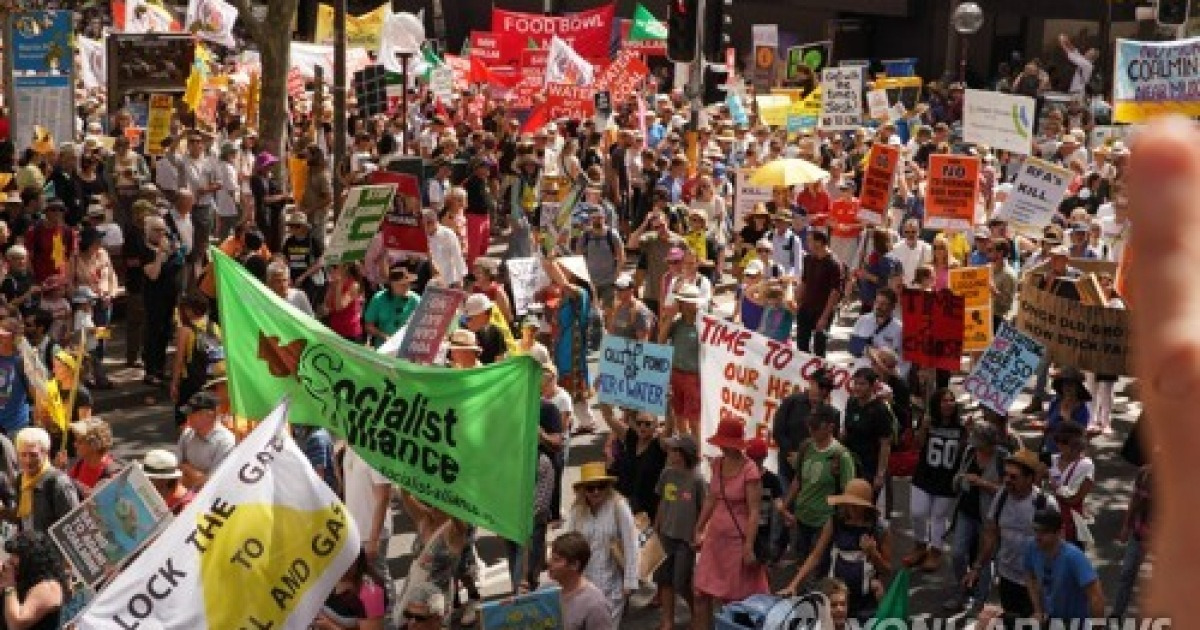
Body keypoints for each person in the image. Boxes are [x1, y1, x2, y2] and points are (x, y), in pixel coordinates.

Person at [965, 449, 1058, 627]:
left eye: (1014, 477)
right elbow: (991, 534)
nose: (1007, 480)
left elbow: (1057, 547)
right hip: (1007, 577)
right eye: (1006, 475)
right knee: (1011, 622)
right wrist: (977, 567)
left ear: (1030, 478)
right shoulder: (1001, 497)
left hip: (1035, 582)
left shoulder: (1045, 504)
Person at [778, 478, 892, 622]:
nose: (852, 509)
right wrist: (793, 585)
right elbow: (816, 555)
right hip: (835, 595)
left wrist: (873, 553)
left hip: (863, 601)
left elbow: (887, 570)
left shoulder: (879, 529)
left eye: (856, 505)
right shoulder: (835, 521)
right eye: (849, 504)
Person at [692, 420, 769, 628]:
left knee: (734, 601)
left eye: (725, 442)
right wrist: (699, 527)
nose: (722, 446)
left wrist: (749, 546)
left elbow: (754, 511)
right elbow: (711, 498)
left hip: (737, 541)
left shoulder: (750, 470)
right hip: (715, 539)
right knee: (700, 593)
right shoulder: (717, 463)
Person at [565, 462, 639, 627]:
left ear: (608, 486)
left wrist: (630, 581)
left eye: (601, 486)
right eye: (591, 488)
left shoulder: (619, 507)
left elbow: (631, 544)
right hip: (584, 584)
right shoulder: (576, 512)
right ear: (583, 490)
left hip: (612, 584)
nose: (596, 491)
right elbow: (566, 544)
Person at [945, 424, 1008, 614]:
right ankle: (962, 590)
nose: (977, 448)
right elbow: (960, 471)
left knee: (985, 558)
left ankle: (980, 602)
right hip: (966, 510)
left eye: (981, 445)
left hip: (988, 516)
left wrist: (981, 482)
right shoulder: (970, 452)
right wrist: (959, 479)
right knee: (957, 553)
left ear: (991, 444)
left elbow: (1006, 489)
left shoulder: (1002, 458)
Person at [905, 387, 966, 573]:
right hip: (924, 475)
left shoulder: (961, 426)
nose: (948, 404)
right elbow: (917, 444)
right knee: (917, 512)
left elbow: (964, 452)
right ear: (936, 405)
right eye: (944, 401)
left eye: (951, 400)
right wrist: (923, 428)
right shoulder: (928, 422)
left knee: (939, 517)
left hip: (947, 479)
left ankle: (936, 550)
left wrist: (968, 433)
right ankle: (920, 544)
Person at [653, 433, 704, 627]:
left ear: (686, 454)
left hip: (685, 539)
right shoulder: (666, 473)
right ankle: (668, 621)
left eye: (675, 450)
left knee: (681, 582)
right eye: (670, 449)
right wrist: (656, 528)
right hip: (665, 535)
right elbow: (662, 502)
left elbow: (703, 509)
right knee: (664, 580)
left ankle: (696, 615)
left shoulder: (697, 479)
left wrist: (699, 534)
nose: (671, 453)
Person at [1025, 507, 1106, 624]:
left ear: (1059, 532)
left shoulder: (1074, 557)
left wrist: (1097, 627)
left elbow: (1096, 596)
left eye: (1044, 532)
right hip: (1051, 619)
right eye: (1036, 530)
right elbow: (1030, 576)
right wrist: (1038, 610)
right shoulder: (1032, 548)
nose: (1038, 536)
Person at [4, 427, 78, 532]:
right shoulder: (21, 479)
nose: (28, 461)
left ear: (45, 453)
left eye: (33, 455)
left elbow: (72, 526)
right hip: (28, 546)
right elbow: (23, 518)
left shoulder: (58, 483)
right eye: (23, 455)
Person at [841, 368, 894, 500]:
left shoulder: (880, 410)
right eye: (856, 383)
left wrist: (880, 474)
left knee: (864, 506)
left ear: (872, 386)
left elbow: (885, 444)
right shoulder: (851, 402)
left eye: (862, 384)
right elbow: (846, 431)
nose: (857, 387)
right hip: (850, 463)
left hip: (869, 466)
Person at [659, 284, 703, 437]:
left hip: (694, 377)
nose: (682, 305)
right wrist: (669, 317)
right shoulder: (677, 323)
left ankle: (697, 451)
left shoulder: (703, 325)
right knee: (679, 416)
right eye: (680, 302)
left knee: (694, 420)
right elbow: (661, 340)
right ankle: (686, 446)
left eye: (684, 302)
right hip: (676, 374)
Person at [0, 531, 67, 630]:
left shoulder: (49, 587)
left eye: (16, 555)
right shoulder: (21, 579)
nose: (10, 560)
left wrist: (9, 585)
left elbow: (17, 624)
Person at [548, 531, 614, 630]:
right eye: (551, 558)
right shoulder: (547, 590)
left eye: (556, 559)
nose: (549, 563)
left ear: (574, 565)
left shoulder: (595, 604)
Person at [1047, 421, 1095, 550]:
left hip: (1071, 524)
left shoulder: (1086, 465)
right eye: (1058, 441)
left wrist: (1054, 488)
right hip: (1049, 520)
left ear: (1077, 446)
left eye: (1064, 442)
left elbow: (1074, 499)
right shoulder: (1051, 459)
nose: (1059, 445)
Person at [1112, 461, 1151, 618]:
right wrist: (1126, 527)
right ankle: (1117, 614)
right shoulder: (1144, 473)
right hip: (1138, 533)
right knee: (1127, 573)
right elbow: (1134, 501)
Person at [795, 230, 843, 357]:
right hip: (806, 308)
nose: (807, 243)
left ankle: (819, 375)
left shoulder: (834, 264)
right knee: (801, 346)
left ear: (819, 242)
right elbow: (804, 282)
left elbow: (835, 292)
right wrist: (798, 302)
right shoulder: (808, 259)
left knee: (819, 348)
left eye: (810, 240)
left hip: (822, 311)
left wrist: (824, 317)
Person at [176, 391, 235, 490]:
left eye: (192, 414)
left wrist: (186, 468)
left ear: (209, 415)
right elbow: (175, 467)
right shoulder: (187, 433)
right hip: (184, 494)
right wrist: (197, 475)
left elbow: (212, 483)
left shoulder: (226, 442)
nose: (188, 417)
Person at [363, 266, 420, 347]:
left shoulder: (416, 300)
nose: (407, 287)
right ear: (392, 284)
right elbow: (368, 326)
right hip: (384, 347)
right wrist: (384, 336)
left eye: (408, 284)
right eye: (402, 285)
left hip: (408, 346)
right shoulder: (378, 298)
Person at [67, 417, 121, 497]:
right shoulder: (81, 464)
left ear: (94, 445)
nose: (75, 444)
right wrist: (60, 471)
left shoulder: (112, 475)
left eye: (80, 441)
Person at [421, 209, 468, 288]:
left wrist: (460, 279)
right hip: (426, 277)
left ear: (434, 222)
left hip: (447, 279)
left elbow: (457, 256)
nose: (424, 228)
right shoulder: (420, 234)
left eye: (428, 224)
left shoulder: (448, 234)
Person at [140, 448, 195, 515]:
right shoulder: (144, 489)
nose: (145, 479)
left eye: (150, 478)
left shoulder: (185, 502)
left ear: (164, 480)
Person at [323, 263, 364, 342]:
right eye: (330, 269)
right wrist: (332, 287)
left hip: (351, 333)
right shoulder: (333, 284)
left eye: (335, 268)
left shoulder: (354, 285)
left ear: (344, 268)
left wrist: (339, 285)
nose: (331, 271)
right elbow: (326, 305)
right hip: (335, 331)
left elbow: (339, 307)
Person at [462, 294, 507, 365]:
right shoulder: (461, 334)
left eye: (490, 310)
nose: (490, 313)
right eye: (488, 311)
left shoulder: (495, 332)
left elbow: (500, 362)